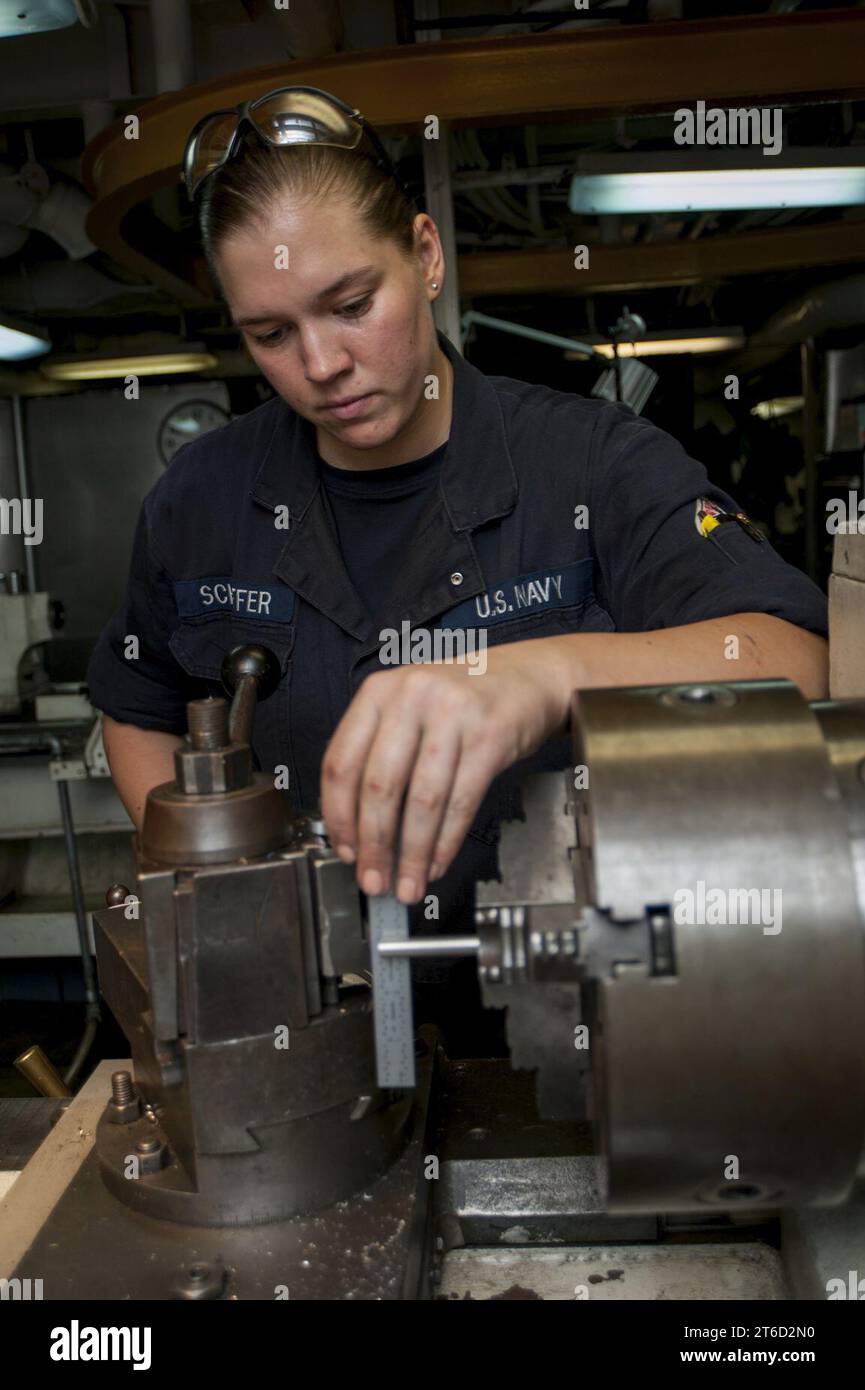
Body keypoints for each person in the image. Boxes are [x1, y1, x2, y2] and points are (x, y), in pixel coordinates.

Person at [86, 87, 828, 1052]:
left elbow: (794, 658)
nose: (321, 363)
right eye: (270, 335)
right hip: (315, 1043)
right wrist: (223, 899)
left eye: (351, 305)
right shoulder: (203, 499)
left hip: (577, 1035)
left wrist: (544, 674)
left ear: (426, 256)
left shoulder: (594, 464)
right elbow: (137, 703)